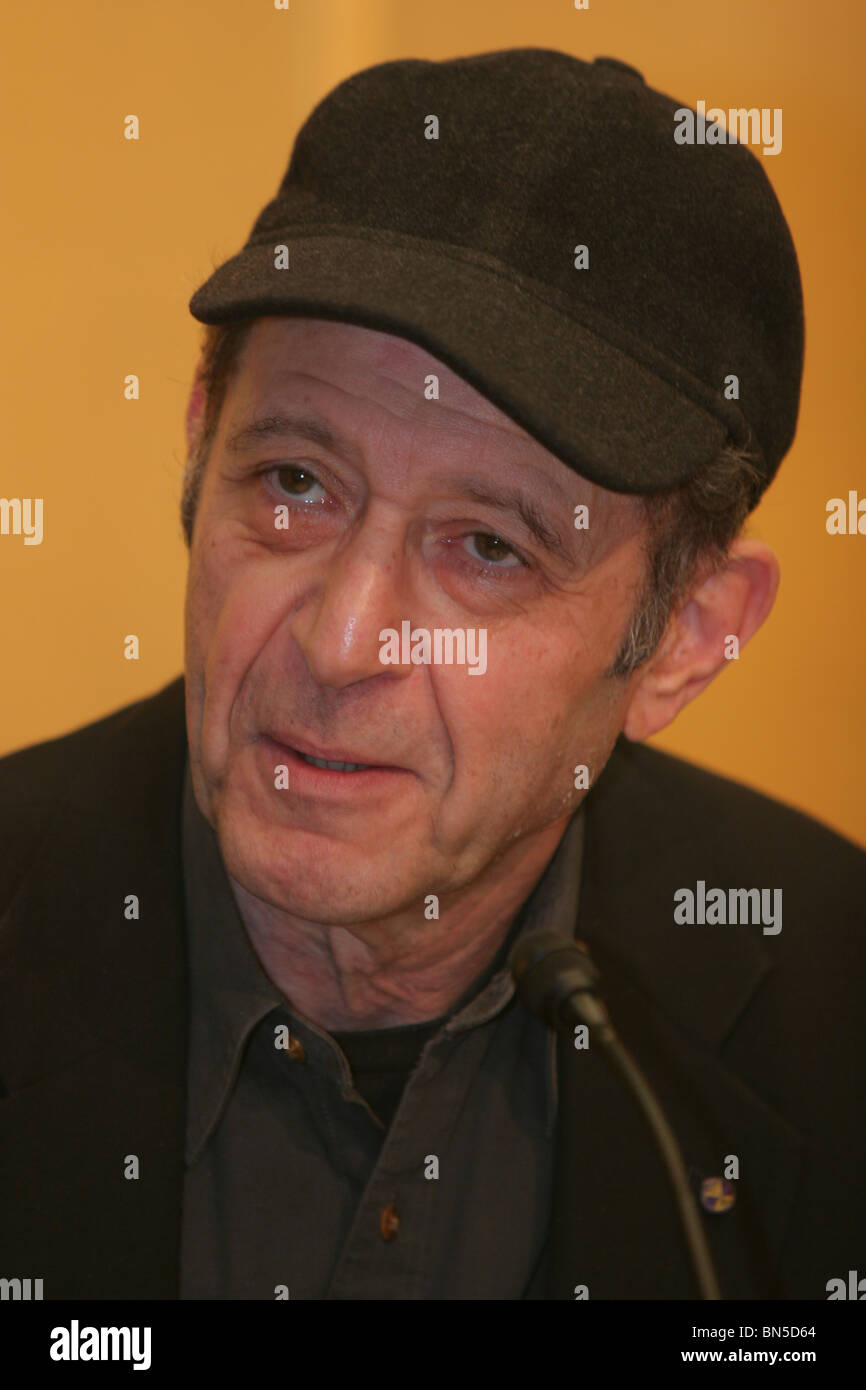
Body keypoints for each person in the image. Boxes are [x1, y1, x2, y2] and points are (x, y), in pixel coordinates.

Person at [1, 47, 864, 1303]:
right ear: (199, 445)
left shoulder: (837, 1009)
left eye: (487, 550)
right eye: (294, 481)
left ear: (683, 636)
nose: (341, 643)